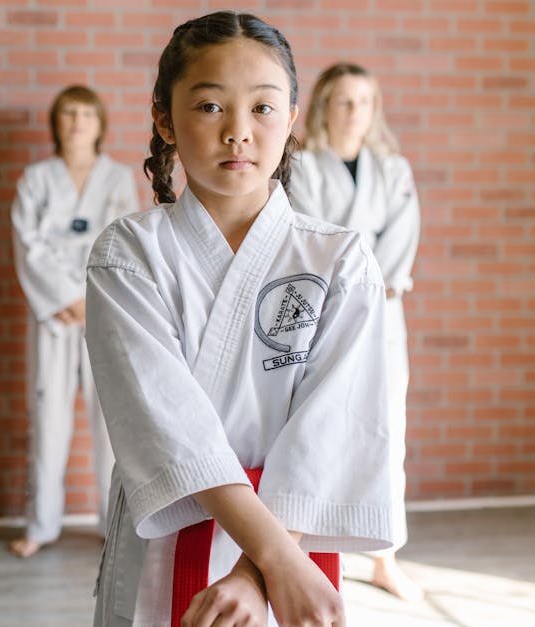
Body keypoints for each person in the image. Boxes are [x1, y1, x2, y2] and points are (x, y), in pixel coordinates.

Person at [84, 12, 402, 627]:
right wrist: (279, 561)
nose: (238, 133)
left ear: (291, 119)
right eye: (209, 107)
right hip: (174, 530)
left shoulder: (338, 258)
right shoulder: (128, 254)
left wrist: (262, 572)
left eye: (262, 108)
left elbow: (333, 428)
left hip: (296, 535)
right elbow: (170, 426)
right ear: (163, 118)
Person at [289, 62, 422, 602]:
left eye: (364, 102)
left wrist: (371, 281)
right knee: (318, 424)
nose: (353, 112)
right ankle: (313, 548)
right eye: (343, 101)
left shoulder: (393, 170)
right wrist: (350, 278)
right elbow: (309, 237)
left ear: (375, 110)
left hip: (383, 309)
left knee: (387, 424)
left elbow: (401, 238)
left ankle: (384, 556)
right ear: (323, 106)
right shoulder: (300, 167)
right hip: (322, 311)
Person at [8, 85, 141, 558]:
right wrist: (67, 297)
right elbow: (29, 245)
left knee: (111, 420)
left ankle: (116, 525)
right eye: (69, 112)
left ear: (101, 122)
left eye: (87, 112)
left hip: (104, 310)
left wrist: (91, 298)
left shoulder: (119, 178)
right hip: (53, 317)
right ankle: (41, 525)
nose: (78, 121)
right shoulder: (36, 179)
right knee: (48, 417)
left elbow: (126, 242)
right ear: (56, 122)